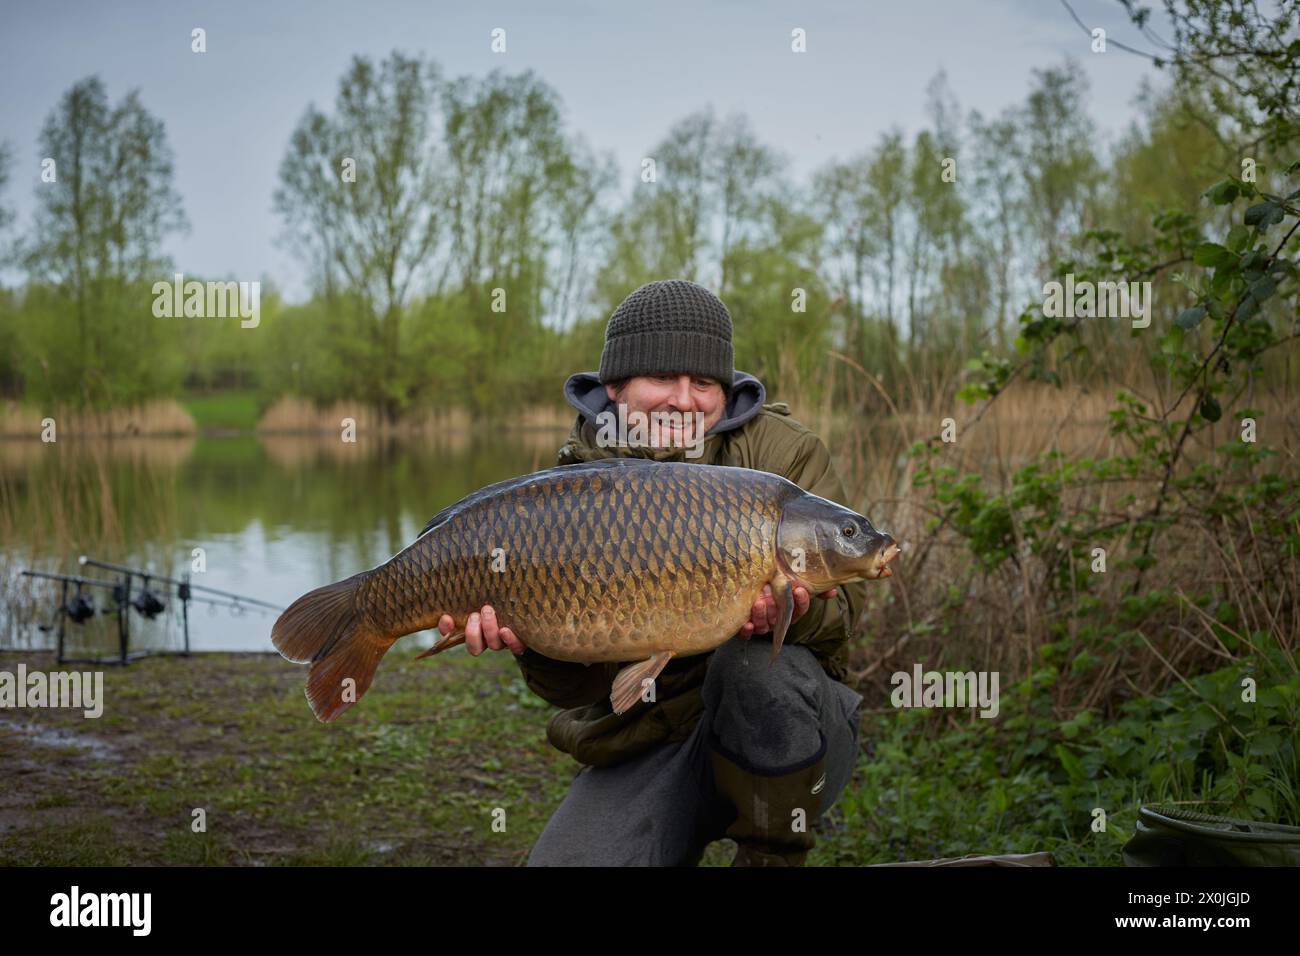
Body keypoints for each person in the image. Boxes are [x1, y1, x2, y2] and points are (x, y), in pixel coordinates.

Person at [434, 278, 867, 866]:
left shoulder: (784, 457)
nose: (684, 401)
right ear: (615, 386)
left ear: (727, 388)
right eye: (663, 378)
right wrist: (529, 643)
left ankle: (772, 854)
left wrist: (798, 611)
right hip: (648, 738)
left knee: (759, 668)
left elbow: (844, 617)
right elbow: (579, 689)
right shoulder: (577, 484)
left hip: (790, 733)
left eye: (705, 382)